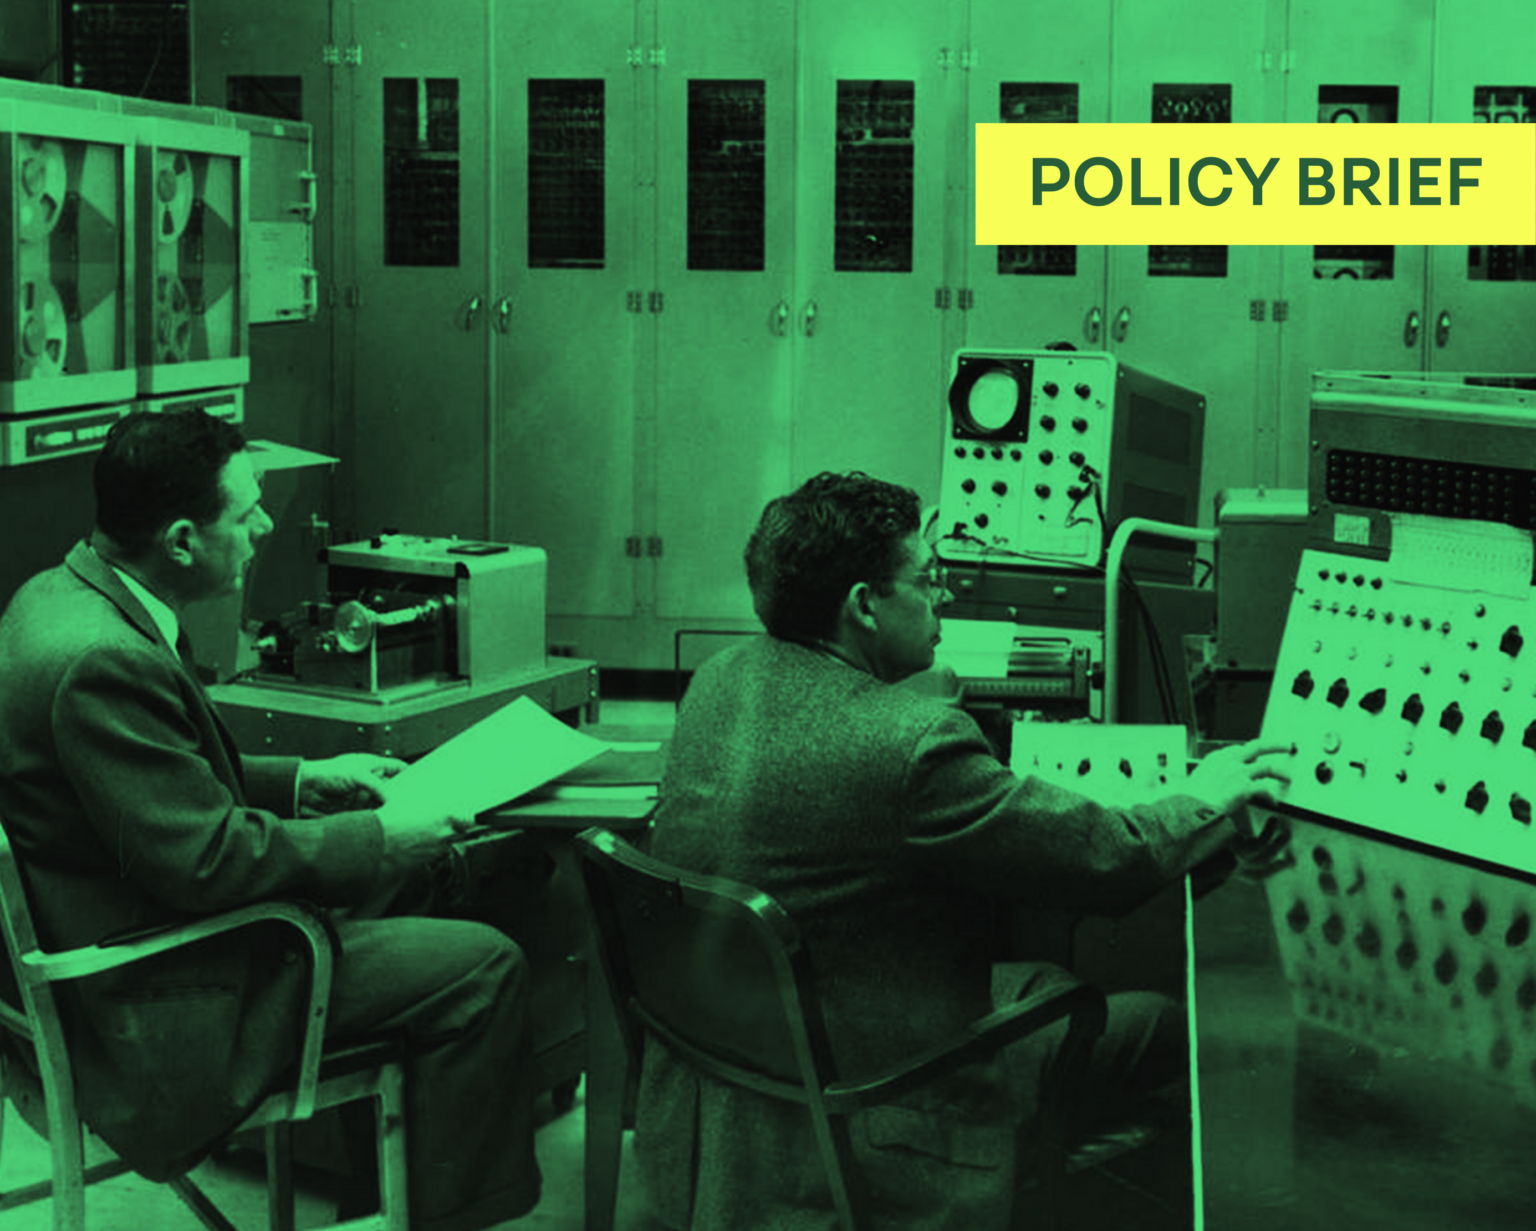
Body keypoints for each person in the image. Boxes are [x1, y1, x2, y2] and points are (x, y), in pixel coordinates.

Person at [635, 470, 1291, 1231]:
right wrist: (1204, 795)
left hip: (726, 1102)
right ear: (863, 606)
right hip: (870, 1115)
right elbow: (1108, 859)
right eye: (927, 578)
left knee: (1039, 976)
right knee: (1161, 1022)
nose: (942, 594)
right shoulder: (910, 745)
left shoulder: (720, 679)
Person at [0, 410, 539, 1231]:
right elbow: (207, 862)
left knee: (408, 883)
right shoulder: (104, 659)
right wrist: (381, 837)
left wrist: (301, 780)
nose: (266, 526)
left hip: (118, 938)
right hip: (157, 1006)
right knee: (485, 965)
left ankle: (380, 1196)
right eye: (247, 510)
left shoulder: (56, 596)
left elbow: (141, 783)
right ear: (182, 541)